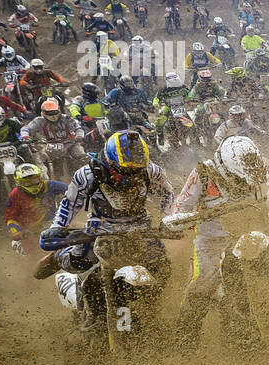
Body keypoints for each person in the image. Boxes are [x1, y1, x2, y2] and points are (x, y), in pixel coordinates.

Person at [170, 135, 269, 350]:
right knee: (204, 281)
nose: (245, 181)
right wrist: (178, 219)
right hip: (213, 241)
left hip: (253, 233)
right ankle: (185, 337)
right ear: (228, 168)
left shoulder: (258, 165)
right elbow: (181, 205)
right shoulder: (204, 174)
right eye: (240, 178)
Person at [36, 131, 175, 326]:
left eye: (136, 170)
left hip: (140, 227)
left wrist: (168, 219)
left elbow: (168, 194)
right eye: (126, 170)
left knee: (162, 266)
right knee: (80, 262)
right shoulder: (87, 175)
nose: (132, 175)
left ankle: (147, 310)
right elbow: (70, 203)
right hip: (101, 228)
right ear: (110, 161)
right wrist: (58, 227)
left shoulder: (152, 171)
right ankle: (60, 257)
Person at [5, 163, 68, 254]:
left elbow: (72, 190)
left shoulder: (49, 185)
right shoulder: (15, 194)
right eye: (27, 182)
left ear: (40, 177)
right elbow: (11, 218)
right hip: (29, 232)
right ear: (19, 183)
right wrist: (16, 232)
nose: (32, 184)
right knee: (29, 253)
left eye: (34, 180)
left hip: (52, 224)